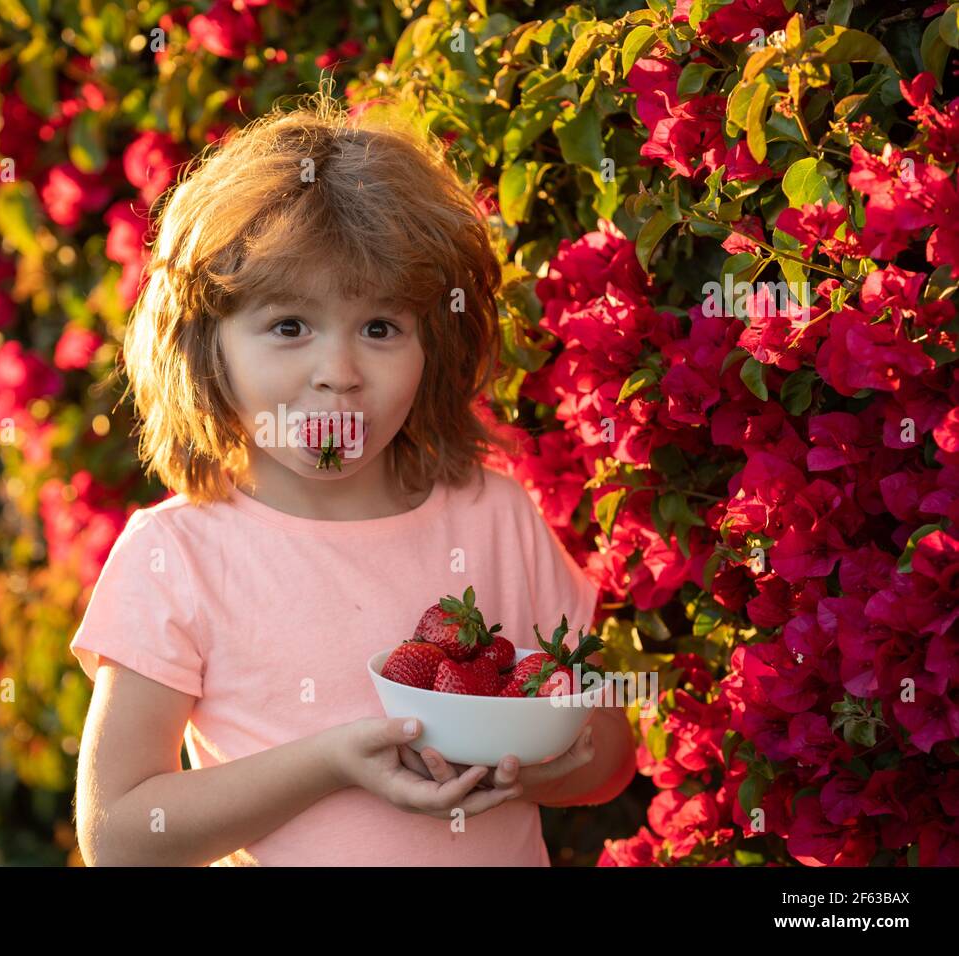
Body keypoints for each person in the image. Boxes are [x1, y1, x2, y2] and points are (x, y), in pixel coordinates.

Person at [71, 93, 635, 866]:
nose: (338, 374)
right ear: (208, 347)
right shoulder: (178, 555)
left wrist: (530, 759)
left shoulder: (493, 514)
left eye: (380, 328)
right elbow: (120, 836)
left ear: (432, 343)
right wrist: (332, 763)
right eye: (288, 327)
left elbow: (609, 755)